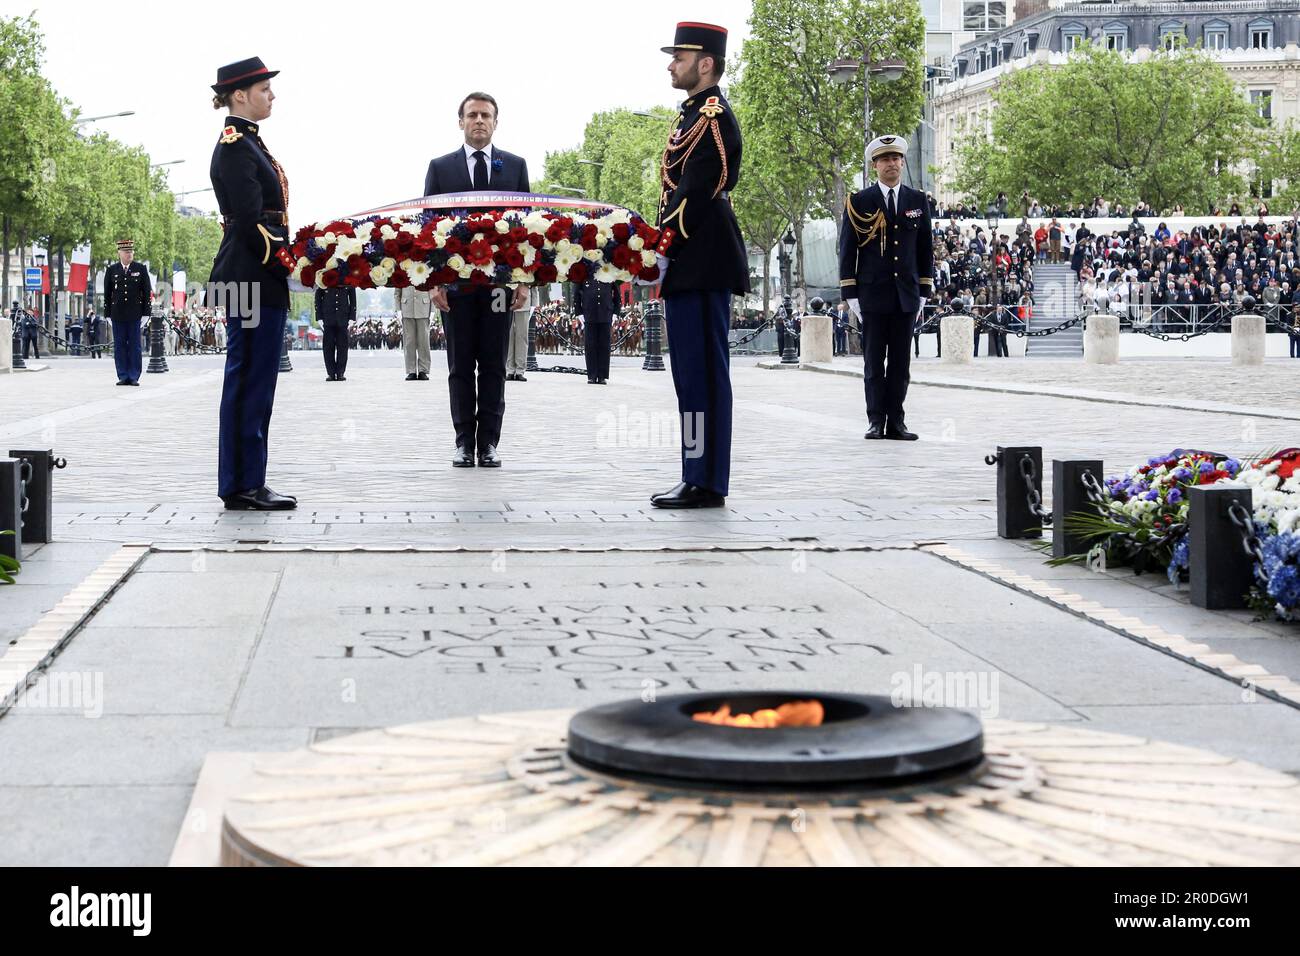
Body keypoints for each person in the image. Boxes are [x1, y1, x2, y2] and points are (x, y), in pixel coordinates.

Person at [649, 21, 749, 509]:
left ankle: (707, 481)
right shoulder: (690, 116)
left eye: (680, 57)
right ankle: (695, 473)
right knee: (689, 376)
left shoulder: (713, 117)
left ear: (705, 63)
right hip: (691, 262)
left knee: (705, 375)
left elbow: (693, 196)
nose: (672, 65)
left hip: (702, 260)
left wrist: (661, 245)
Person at [422, 91, 530, 468]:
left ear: (496, 122)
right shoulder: (441, 168)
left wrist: (524, 280)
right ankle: (464, 441)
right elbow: (428, 230)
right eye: (472, 115)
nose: (479, 120)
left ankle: (489, 443)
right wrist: (434, 281)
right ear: (461, 122)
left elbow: (527, 226)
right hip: (456, 285)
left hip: (500, 285)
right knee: (460, 363)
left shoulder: (514, 167)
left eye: (486, 115)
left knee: (495, 363)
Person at [208, 56, 297, 511]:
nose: (272, 96)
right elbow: (247, 221)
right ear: (239, 94)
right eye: (265, 89)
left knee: (256, 379)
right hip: (248, 277)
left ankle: (247, 480)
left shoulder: (249, 143)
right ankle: (242, 484)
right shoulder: (235, 146)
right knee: (248, 380)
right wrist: (285, 260)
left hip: (254, 276)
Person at [839, 134, 933, 440]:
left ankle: (897, 422)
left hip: (906, 295)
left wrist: (924, 291)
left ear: (903, 163)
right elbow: (848, 250)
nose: (892, 164)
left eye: (896, 159)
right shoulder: (858, 202)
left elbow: (925, 250)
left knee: (901, 364)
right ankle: (875, 420)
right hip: (872, 295)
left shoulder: (917, 201)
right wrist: (850, 294)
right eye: (885, 159)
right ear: (874, 166)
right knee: (873, 363)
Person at [103, 239, 150, 384]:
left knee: (135, 346)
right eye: (126, 252)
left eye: (131, 251)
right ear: (120, 253)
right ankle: (123, 375)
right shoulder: (112, 270)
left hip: (135, 314)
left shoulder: (140, 269)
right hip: (117, 314)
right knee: (120, 346)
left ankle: (134, 375)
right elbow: (107, 293)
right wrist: (107, 314)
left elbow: (146, 292)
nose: (129, 254)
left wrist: (146, 313)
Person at [579, 276, 617, 384]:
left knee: (604, 345)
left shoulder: (609, 273)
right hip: (589, 313)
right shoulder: (585, 273)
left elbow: (616, 295)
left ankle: (602, 375)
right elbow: (577, 293)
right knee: (590, 345)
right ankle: (592, 375)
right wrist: (579, 312)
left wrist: (615, 313)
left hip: (605, 313)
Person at [316, 285, 355, 381]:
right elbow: (318, 298)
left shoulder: (347, 278)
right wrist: (319, 316)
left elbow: (352, 299)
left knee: (342, 347)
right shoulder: (324, 276)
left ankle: (340, 372)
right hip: (328, 318)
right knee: (328, 347)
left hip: (343, 318)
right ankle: (331, 373)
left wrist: (351, 317)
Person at [393, 285, 431, 381]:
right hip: (407, 308)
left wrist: (433, 310)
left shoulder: (428, 268)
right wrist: (397, 309)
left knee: (424, 342)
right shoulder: (402, 269)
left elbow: (433, 288)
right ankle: (411, 370)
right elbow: (397, 291)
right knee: (409, 342)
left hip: (424, 308)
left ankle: (423, 370)